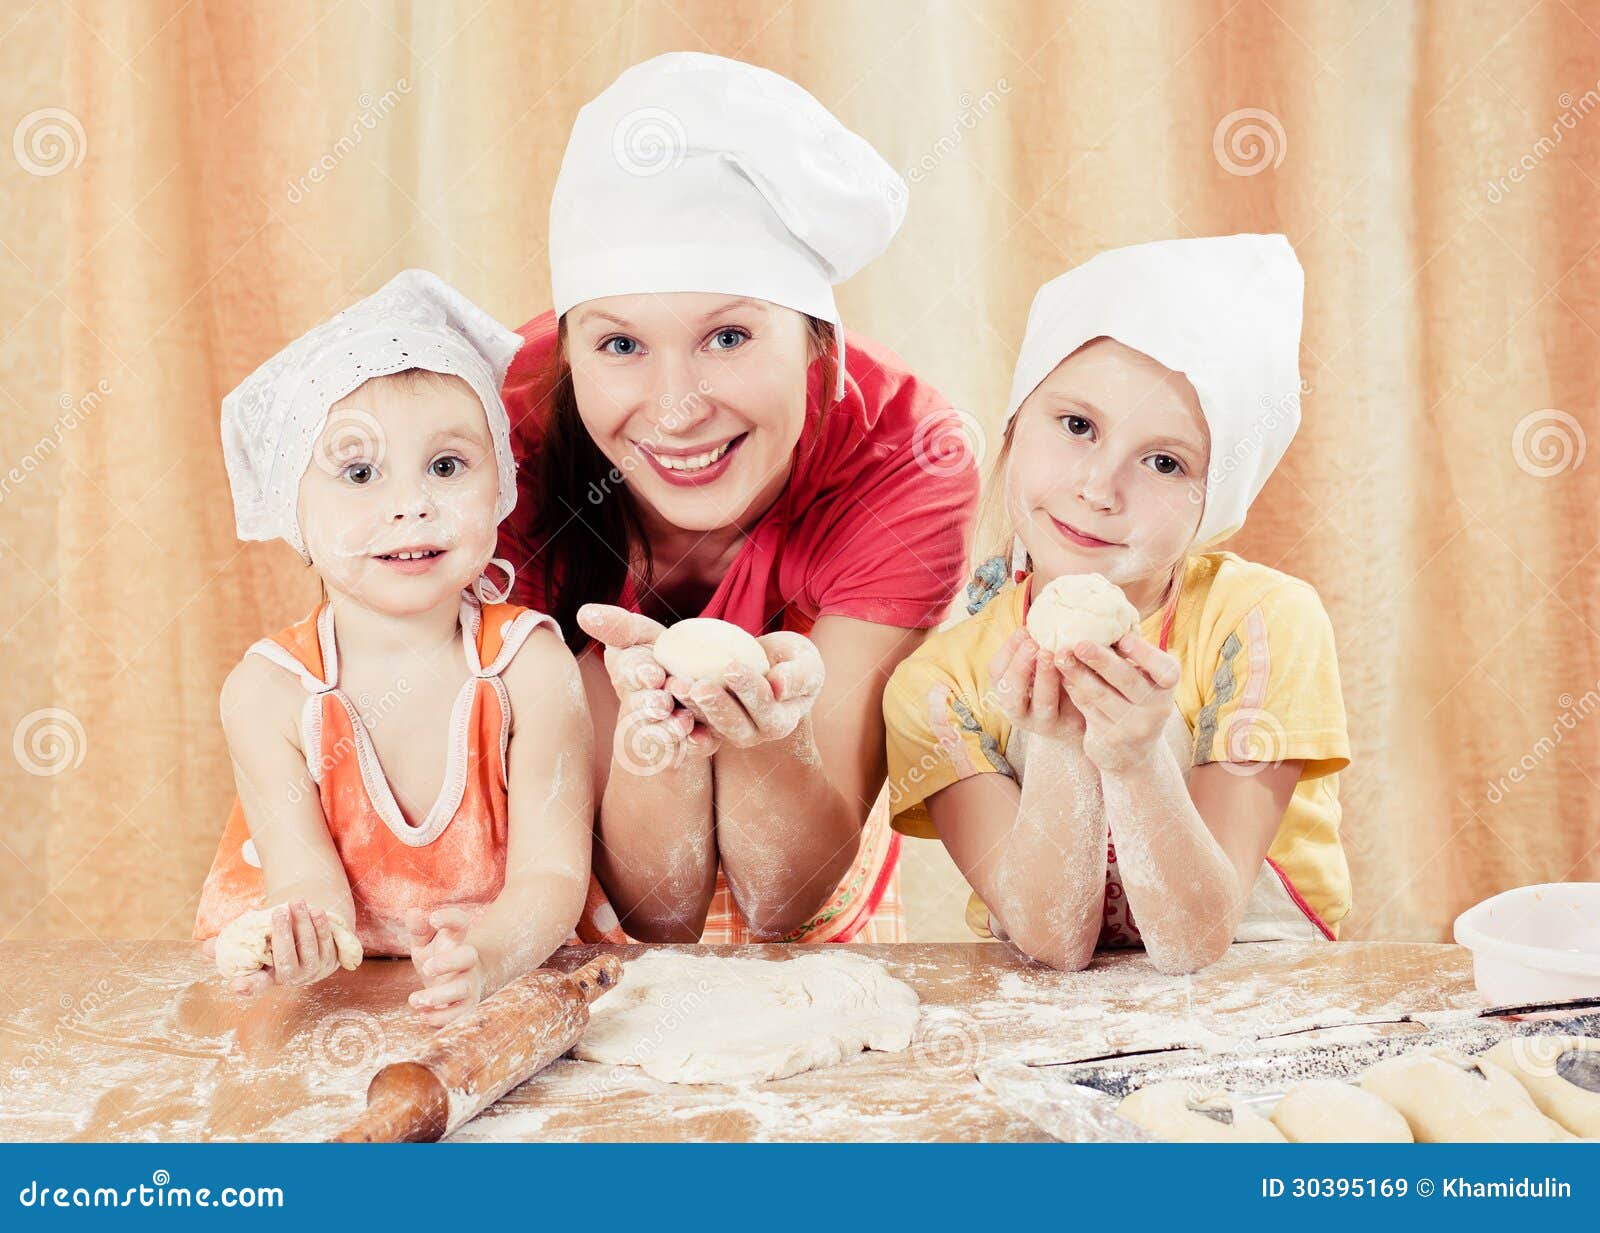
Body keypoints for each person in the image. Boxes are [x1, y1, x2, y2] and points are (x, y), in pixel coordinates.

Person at [498, 53, 980, 944]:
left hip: (802, 869)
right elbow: (655, 908)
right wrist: (650, 731)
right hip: (556, 883)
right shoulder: (489, 437)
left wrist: (769, 740)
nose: (677, 410)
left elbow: (782, 898)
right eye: (619, 345)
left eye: (727, 335)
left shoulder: (907, 456)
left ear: (815, 346)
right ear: (568, 354)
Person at [884, 235, 1351, 974]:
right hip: (1047, 1019)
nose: (1099, 488)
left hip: (1262, 995)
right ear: (1014, 422)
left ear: (1213, 503)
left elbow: (1195, 939)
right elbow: (1053, 941)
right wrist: (1066, 748)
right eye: (1077, 425)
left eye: (1165, 462)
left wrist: (1135, 762)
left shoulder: (1261, 625)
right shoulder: (938, 682)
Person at [194, 270, 592, 1025]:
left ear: (500, 484)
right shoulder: (270, 694)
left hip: (501, 976)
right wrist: (308, 938)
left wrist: (490, 957)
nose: (411, 504)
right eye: (359, 472)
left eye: (447, 467)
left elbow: (552, 871)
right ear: (294, 509)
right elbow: (304, 877)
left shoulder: (529, 667)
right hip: (334, 1000)